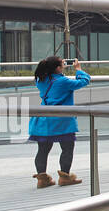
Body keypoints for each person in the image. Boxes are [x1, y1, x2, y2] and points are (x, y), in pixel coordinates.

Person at [29, 56, 91, 188]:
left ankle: (42, 179)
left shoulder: (41, 79)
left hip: (43, 119)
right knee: (67, 148)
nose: (64, 64)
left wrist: (58, 69)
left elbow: (53, 80)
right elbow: (84, 81)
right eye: (62, 64)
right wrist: (78, 69)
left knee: (43, 150)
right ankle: (65, 177)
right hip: (62, 119)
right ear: (57, 68)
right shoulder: (63, 81)